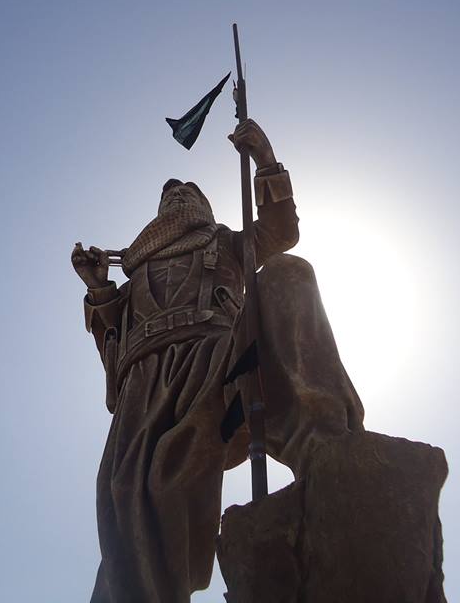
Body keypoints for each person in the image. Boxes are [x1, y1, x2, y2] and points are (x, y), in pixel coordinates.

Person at [72, 118, 364, 603]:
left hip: (220, 361)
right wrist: (99, 287)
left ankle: (329, 451)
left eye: (189, 193)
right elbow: (113, 347)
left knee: (289, 274)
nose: (180, 197)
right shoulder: (135, 266)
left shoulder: (224, 240)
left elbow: (278, 233)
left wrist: (266, 162)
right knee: (130, 499)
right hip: (148, 387)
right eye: (171, 195)